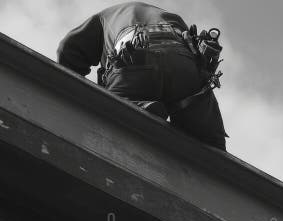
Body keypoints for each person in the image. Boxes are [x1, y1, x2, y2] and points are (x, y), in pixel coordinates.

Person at [57, 2, 227, 150]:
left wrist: (75, 94)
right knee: (210, 140)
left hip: (136, 61)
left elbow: (68, 49)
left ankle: (137, 104)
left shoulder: (104, 18)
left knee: (111, 106)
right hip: (184, 66)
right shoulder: (173, 18)